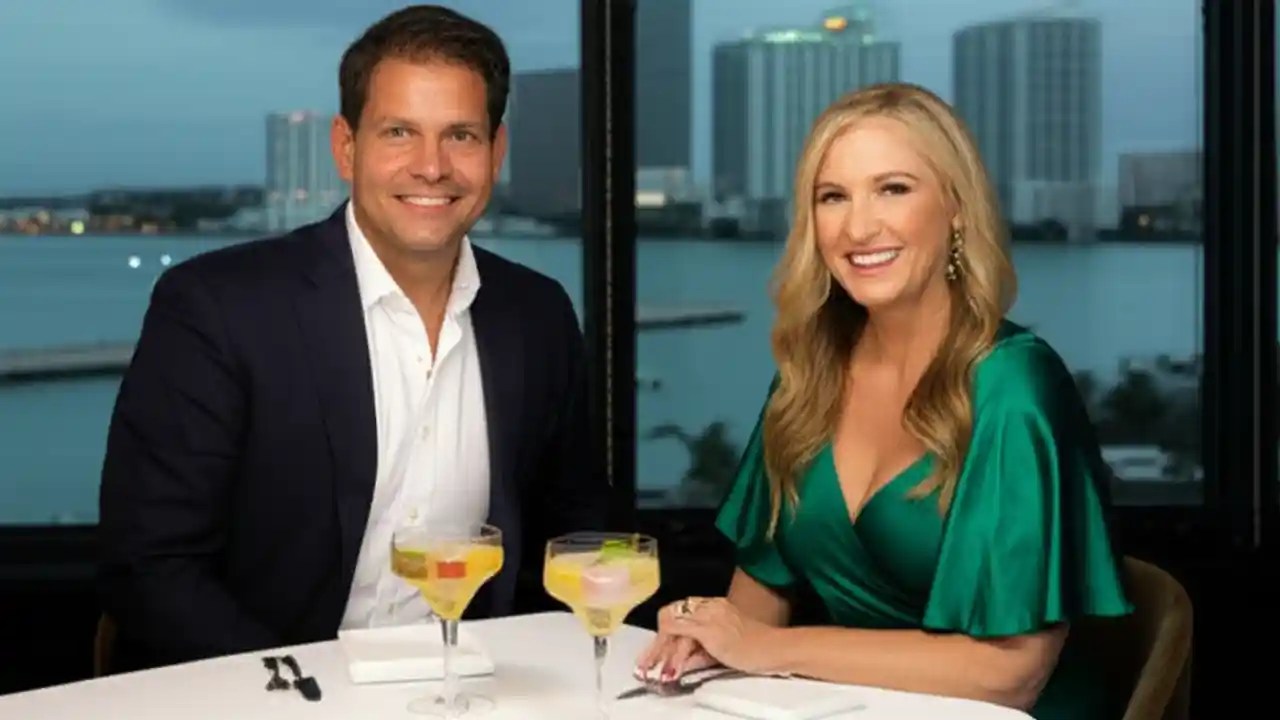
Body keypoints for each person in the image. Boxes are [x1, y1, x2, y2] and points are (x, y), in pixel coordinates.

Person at [98, 4, 609, 672]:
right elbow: (150, 568)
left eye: (461, 135)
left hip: (472, 692)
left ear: (496, 152)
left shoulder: (537, 314)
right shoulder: (217, 308)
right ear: (346, 147)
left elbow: (572, 540)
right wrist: (316, 697)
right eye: (400, 132)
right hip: (262, 699)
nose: (432, 167)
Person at [636, 83, 1133, 720]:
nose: (858, 226)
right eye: (832, 197)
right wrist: (705, 637)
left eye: (893, 189)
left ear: (956, 206)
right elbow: (756, 605)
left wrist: (770, 648)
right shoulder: (807, 379)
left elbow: (1009, 673)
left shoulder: (1014, 384)